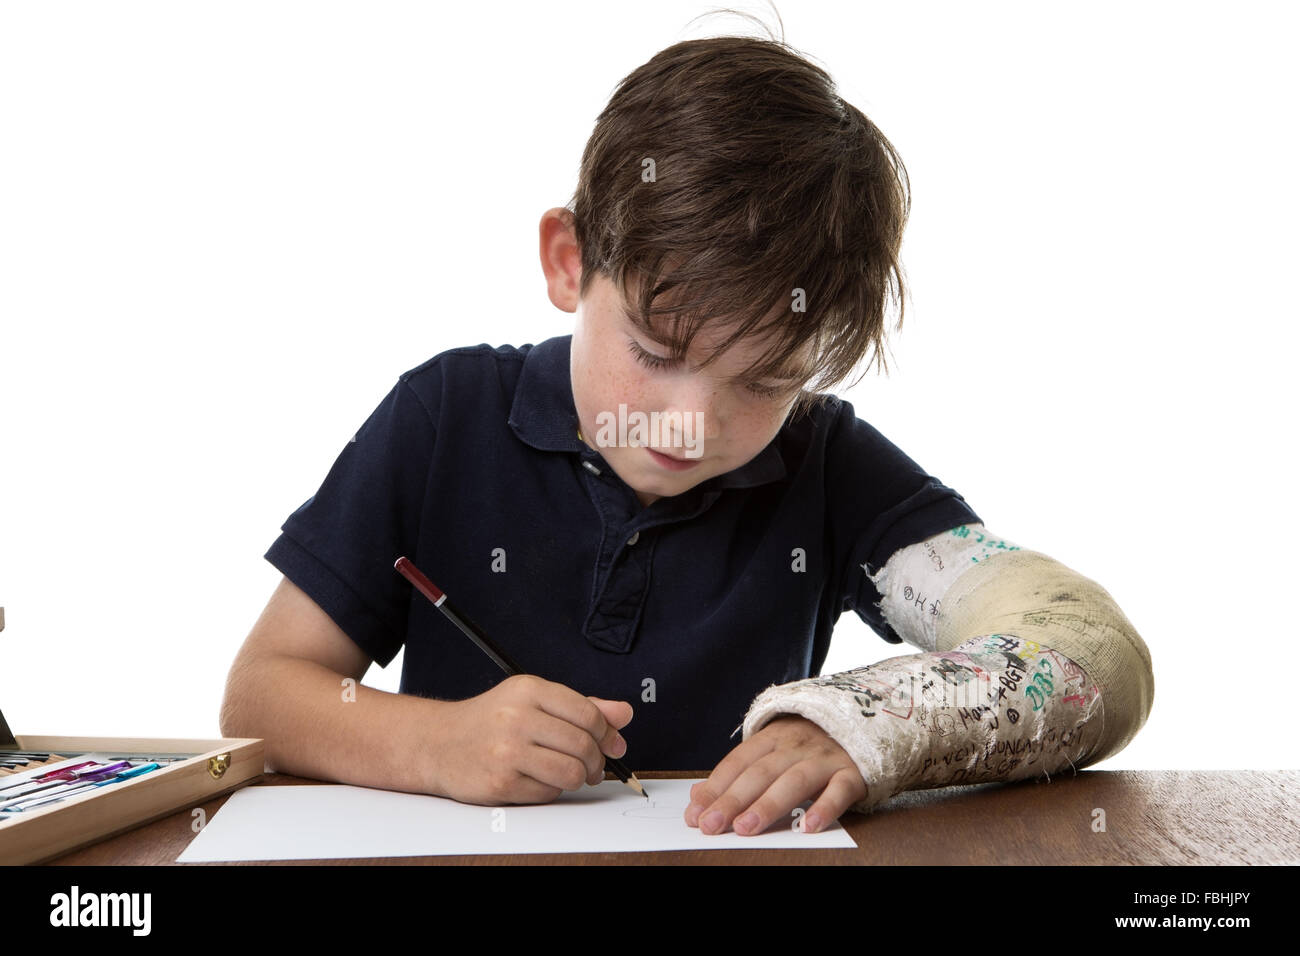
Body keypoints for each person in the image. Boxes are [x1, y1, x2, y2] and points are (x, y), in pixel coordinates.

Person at [219, 34, 1153, 837]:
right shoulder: (444, 415)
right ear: (569, 260)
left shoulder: (827, 463)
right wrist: (440, 743)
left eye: (765, 381)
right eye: (658, 349)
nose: (690, 423)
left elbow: (1091, 652)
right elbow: (261, 693)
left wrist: (861, 724)